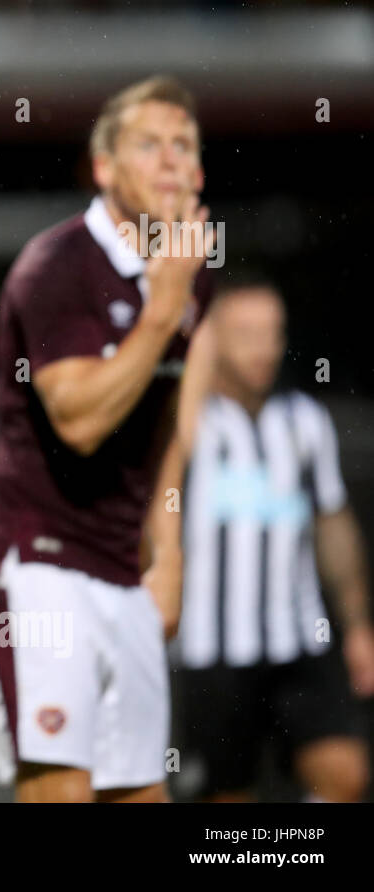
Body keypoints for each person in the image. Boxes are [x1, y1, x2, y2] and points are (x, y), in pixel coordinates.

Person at [0, 75, 216, 802]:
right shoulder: (58, 266)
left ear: (197, 173)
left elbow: (172, 426)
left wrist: (167, 553)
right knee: (60, 792)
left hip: (119, 567)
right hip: (34, 562)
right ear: (105, 168)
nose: (168, 161)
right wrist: (163, 310)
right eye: (147, 144)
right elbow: (82, 422)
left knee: (139, 794)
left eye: (182, 146)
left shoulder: (191, 277)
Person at [171, 278, 374, 802]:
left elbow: (333, 524)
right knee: (227, 796)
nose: (264, 347)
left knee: (346, 772)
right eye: (245, 333)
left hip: (298, 641)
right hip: (212, 651)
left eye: (273, 333)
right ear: (212, 339)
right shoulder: (188, 425)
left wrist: (356, 627)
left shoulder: (306, 421)